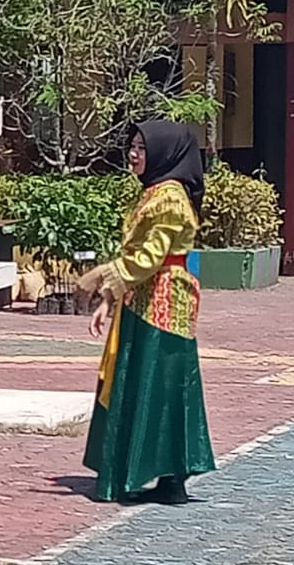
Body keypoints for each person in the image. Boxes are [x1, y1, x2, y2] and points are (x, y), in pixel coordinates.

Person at [76, 121, 214, 504]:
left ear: (164, 152)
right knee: (141, 380)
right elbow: (137, 258)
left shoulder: (169, 197)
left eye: (141, 147)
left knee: (162, 383)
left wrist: (104, 275)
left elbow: (151, 257)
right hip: (142, 298)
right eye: (132, 146)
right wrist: (109, 297)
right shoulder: (153, 191)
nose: (134, 154)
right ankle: (140, 470)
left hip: (165, 302)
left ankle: (169, 476)